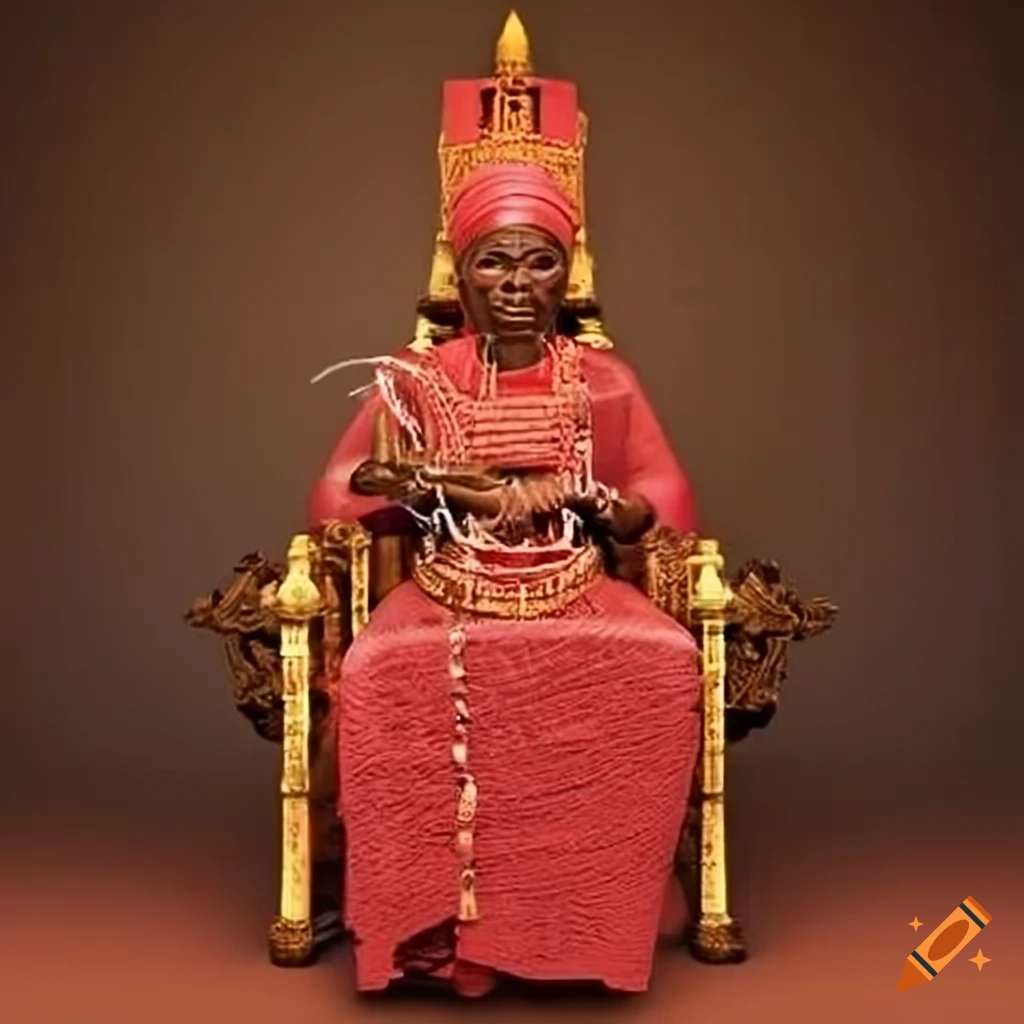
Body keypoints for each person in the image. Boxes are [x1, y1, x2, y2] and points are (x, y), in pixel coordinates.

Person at [306, 18, 702, 999]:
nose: (517, 286)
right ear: (460, 269)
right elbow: (338, 491)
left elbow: (662, 504)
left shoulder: (601, 379)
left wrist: (610, 505)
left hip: (573, 588)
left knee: (661, 663)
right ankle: (440, 935)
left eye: (538, 264)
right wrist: (425, 481)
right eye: (493, 262)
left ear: (568, 271)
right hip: (449, 590)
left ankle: (581, 927)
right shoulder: (415, 377)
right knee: (379, 672)